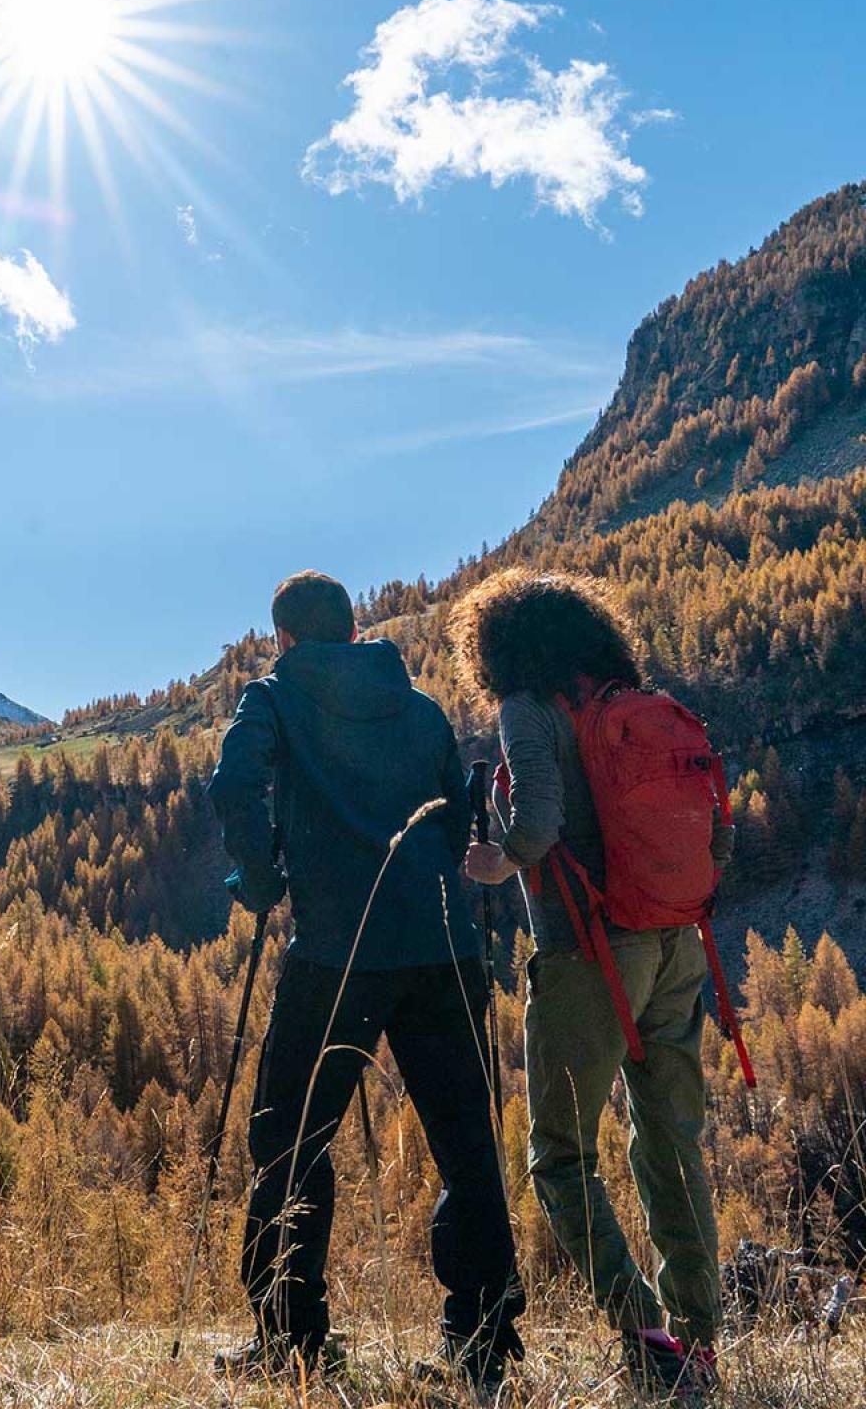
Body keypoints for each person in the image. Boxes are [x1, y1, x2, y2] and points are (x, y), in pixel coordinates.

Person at [209, 570, 524, 1393]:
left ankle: (292, 1339)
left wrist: (260, 875)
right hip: (442, 950)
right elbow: (454, 818)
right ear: (355, 631)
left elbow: (234, 783)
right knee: (465, 1143)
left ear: (283, 638)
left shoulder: (273, 697)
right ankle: (483, 1340)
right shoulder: (419, 710)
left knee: (290, 1142)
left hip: (335, 954)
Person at [450, 569, 731, 1400]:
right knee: (671, 1139)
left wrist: (499, 861)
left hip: (590, 954)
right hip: (677, 942)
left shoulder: (527, 708)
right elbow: (715, 834)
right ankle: (699, 1338)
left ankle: (643, 1331)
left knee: (561, 1154)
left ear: (496, 646)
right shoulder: (630, 698)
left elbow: (537, 821)